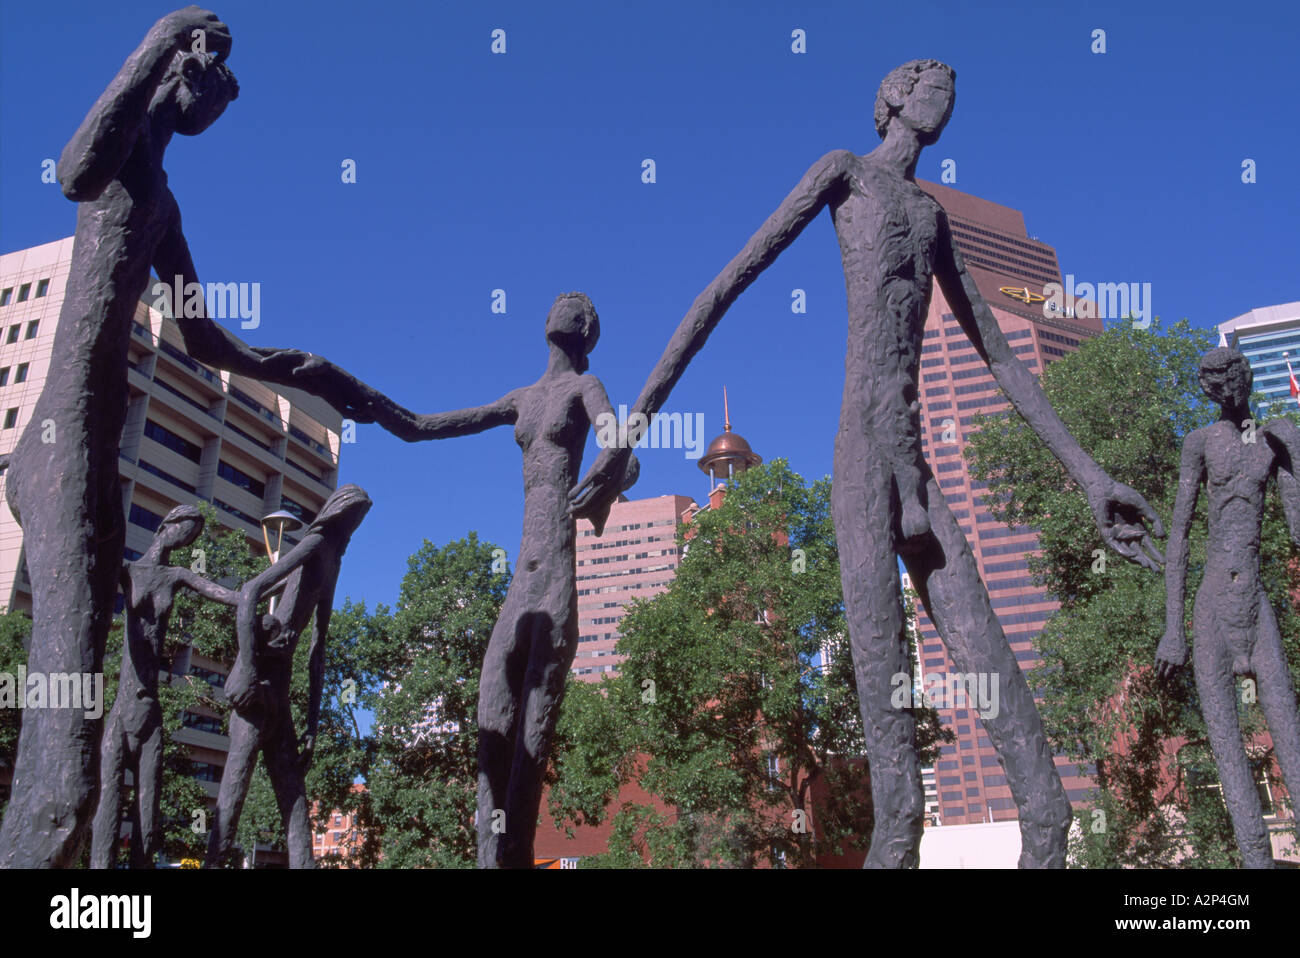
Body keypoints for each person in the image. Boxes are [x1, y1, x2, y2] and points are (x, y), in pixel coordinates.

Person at [569, 59, 1164, 868]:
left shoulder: (930, 215)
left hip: (916, 465)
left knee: (1017, 727)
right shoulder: (843, 174)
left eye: (951, 93)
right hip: (860, 464)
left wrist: (1091, 476)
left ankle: (1046, 831)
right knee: (890, 736)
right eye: (928, 89)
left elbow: (1004, 360)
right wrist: (629, 433)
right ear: (892, 99)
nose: (943, 102)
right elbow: (722, 289)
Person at [0, 6, 379, 867]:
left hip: (96, 442)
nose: (217, 111)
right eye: (216, 91)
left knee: (82, 730)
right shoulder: (123, 148)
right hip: (63, 444)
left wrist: (311, 369)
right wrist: (158, 34)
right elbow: (70, 171)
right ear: (183, 73)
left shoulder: (164, 204)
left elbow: (208, 341)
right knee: (63, 774)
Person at [1156, 347, 1300, 868]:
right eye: (1216, 384)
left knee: (1291, 740)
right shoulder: (1199, 444)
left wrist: (1297, 452)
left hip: (1256, 608)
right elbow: (1178, 536)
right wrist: (1173, 627)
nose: (1226, 391)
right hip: (1212, 608)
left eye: (1232, 378)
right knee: (1229, 755)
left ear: (1246, 379)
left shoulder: (1273, 443)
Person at [205, 485, 372, 869]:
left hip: (279, 696)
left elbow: (318, 647)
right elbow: (249, 594)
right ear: (340, 513)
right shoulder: (314, 544)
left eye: (360, 520)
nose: (355, 525)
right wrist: (246, 671)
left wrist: (313, 725)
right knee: (232, 796)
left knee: (295, 800)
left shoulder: (333, 559)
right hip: (257, 685)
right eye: (354, 517)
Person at [90, 506, 240, 868]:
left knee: (147, 818)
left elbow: (229, 595)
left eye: (191, 538)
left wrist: (271, 587)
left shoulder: (178, 576)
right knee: (106, 816)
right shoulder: (128, 571)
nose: (184, 540)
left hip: (151, 712)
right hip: (122, 712)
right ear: (166, 525)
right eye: (184, 531)